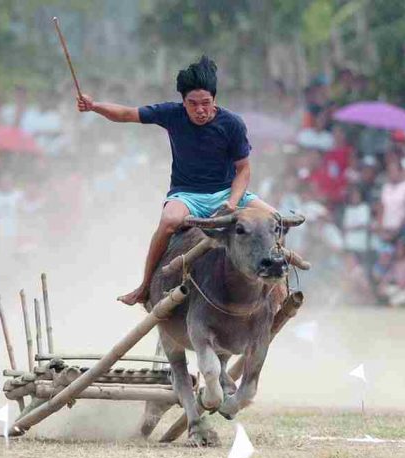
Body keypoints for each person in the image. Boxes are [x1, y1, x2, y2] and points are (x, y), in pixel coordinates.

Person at [77, 55, 275, 305]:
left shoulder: (232, 124)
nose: (200, 110)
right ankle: (145, 286)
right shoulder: (171, 114)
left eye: (206, 103)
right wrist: (94, 106)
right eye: (193, 104)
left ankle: (279, 289)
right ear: (183, 102)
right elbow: (127, 114)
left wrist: (233, 202)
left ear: (215, 99)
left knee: (275, 220)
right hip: (187, 195)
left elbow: (244, 170)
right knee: (169, 221)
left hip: (227, 193)